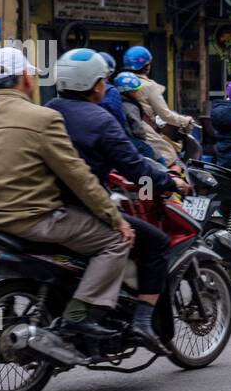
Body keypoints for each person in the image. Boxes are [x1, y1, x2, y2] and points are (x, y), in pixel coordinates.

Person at [0, 46, 134, 340]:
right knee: (115, 241)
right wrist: (114, 218)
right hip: (34, 220)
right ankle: (78, 315)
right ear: (26, 80)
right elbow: (77, 175)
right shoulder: (42, 118)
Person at [45, 49, 191, 353]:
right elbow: (134, 167)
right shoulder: (100, 118)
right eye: (102, 81)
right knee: (155, 244)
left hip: (48, 206)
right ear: (96, 85)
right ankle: (141, 321)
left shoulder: (48, 110)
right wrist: (169, 180)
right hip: (81, 207)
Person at [120, 45, 193, 167]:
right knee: (172, 160)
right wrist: (185, 121)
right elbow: (165, 115)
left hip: (128, 130)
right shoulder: (148, 86)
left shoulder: (121, 82)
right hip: (144, 132)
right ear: (147, 66)